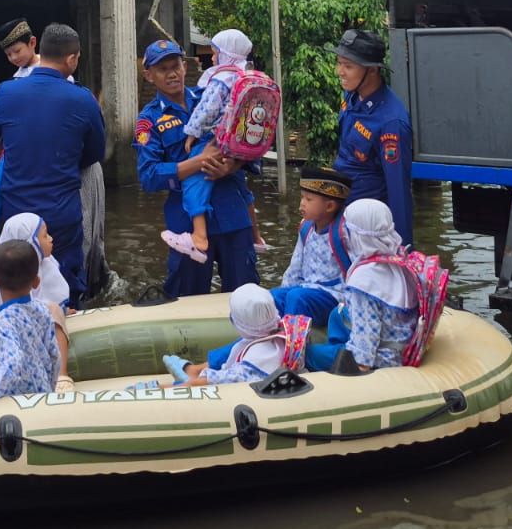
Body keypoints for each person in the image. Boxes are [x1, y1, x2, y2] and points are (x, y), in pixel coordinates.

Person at [0, 23, 106, 302]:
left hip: (15, 212)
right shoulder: (84, 99)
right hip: (61, 214)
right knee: (65, 289)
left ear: (38, 47)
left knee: (15, 287)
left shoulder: (5, 92)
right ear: (72, 59)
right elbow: (94, 155)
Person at [134, 38, 259, 297]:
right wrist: (196, 163)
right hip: (187, 224)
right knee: (187, 299)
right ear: (149, 76)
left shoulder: (213, 96)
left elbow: (249, 143)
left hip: (232, 212)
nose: (172, 74)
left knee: (246, 296)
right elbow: (149, 176)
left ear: (185, 67)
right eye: (162, 69)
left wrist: (231, 166)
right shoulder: (149, 120)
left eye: (176, 66)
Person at [158, 30, 271, 262]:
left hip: (216, 139)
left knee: (194, 182)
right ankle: (257, 237)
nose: (212, 58)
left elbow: (207, 109)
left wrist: (191, 132)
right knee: (243, 189)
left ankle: (199, 238)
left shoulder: (222, 78)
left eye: (216, 53)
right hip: (237, 141)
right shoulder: (247, 76)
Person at [307, 199, 419, 375]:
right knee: (337, 315)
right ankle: (336, 346)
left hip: (383, 358)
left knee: (310, 353)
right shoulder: (400, 259)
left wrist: (357, 367)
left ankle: (331, 359)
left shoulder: (365, 280)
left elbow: (366, 343)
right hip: (400, 338)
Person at [327, 29, 414, 247]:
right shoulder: (352, 95)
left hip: (366, 231)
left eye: (348, 66)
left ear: (373, 70)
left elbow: (399, 193)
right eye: (339, 63)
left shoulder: (391, 123)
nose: (340, 72)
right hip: (341, 214)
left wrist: (402, 252)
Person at [0, 240, 63, 404]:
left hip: (21, 401)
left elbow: (12, 364)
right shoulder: (42, 309)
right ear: (36, 282)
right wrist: (50, 389)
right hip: (43, 394)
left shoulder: (5, 320)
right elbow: (54, 355)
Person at [164, 284, 309, 385]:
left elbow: (234, 378)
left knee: (180, 384)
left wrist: (191, 384)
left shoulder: (259, 355)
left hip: (255, 393)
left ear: (242, 325)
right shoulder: (281, 337)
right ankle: (196, 371)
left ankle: (194, 374)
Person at [0, 18, 39, 238]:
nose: (13, 58)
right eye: (8, 54)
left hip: (42, 144)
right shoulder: (13, 80)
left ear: (33, 42)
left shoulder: (52, 72)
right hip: (14, 147)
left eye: (16, 51)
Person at [0, 213, 72, 387]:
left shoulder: (48, 265)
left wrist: (62, 310)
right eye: (45, 235)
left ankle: (62, 375)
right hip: (16, 329)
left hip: (35, 323)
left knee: (54, 310)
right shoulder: (5, 317)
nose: (51, 239)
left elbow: (53, 353)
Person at [270, 164, 353, 324]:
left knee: (297, 297)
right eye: (302, 197)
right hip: (306, 290)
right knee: (274, 296)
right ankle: (266, 336)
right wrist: (284, 290)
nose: (302, 203)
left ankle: (292, 343)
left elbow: (358, 269)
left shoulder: (344, 231)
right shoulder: (306, 227)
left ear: (329, 206)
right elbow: (295, 266)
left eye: (308, 199)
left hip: (334, 296)